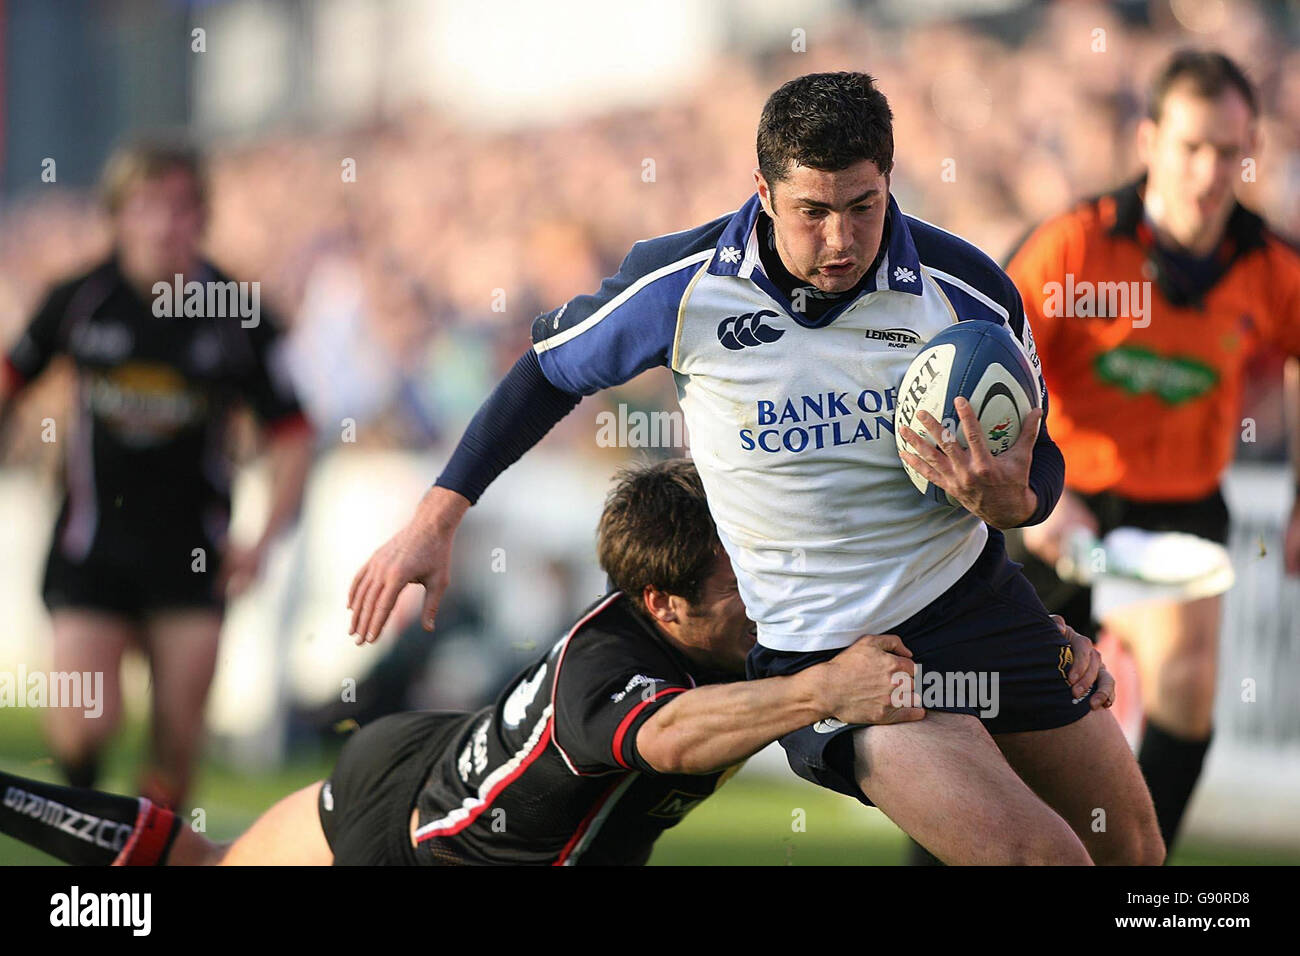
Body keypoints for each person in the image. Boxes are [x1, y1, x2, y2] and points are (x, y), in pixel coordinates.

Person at [348, 72, 1160, 865]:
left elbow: (1038, 464)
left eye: (862, 207)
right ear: (764, 194)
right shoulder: (686, 286)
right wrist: (436, 517)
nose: (840, 240)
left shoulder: (968, 291)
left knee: (1130, 848)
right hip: (828, 654)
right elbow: (547, 371)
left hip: (978, 608)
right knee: (1035, 857)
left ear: (890, 183)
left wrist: (1014, 500)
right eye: (812, 211)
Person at [2, 458, 1092, 866]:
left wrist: (1047, 636)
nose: (761, 593)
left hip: (437, 753)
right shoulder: (610, 674)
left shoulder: (727, 617)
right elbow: (661, 735)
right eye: (736, 579)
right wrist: (821, 691)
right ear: (665, 602)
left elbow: (904, 600)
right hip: (406, 834)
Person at [1003, 50, 1300, 853]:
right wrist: (1036, 488)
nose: (1212, 171)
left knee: (1186, 687)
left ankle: (1132, 867)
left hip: (1179, 503)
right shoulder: (1075, 243)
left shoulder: (1269, 267)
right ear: (1149, 142)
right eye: (1193, 147)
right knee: (986, 716)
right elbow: (989, 360)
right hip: (1058, 495)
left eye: (1231, 151)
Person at [0, 142, 314, 809]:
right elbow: (11, 378)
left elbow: (292, 434)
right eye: (147, 207)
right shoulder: (81, 299)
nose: (164, 225)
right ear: (118, 216)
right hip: (92, 546)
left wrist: (263, 540)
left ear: (201, 217)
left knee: (176, 746)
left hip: (193, 553)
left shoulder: (237, 313)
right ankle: (88, 827)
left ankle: (146, 868)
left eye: (180, 208)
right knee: (83, 726)